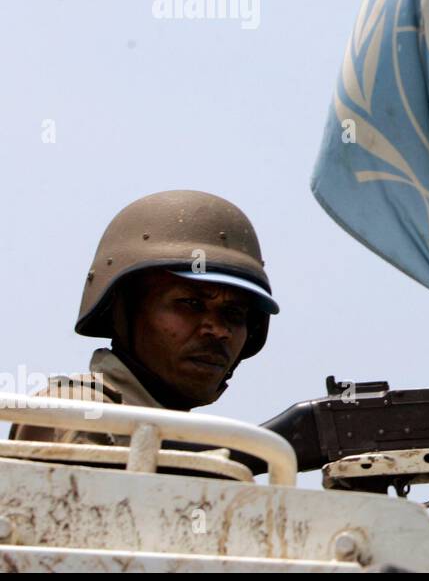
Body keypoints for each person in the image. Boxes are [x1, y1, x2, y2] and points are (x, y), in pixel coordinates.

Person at [8, 190, 279, 446]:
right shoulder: (76, 407)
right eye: (191, 303)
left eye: (233, 313)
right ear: (124, 310)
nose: (219, 330)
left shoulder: (192, 442)